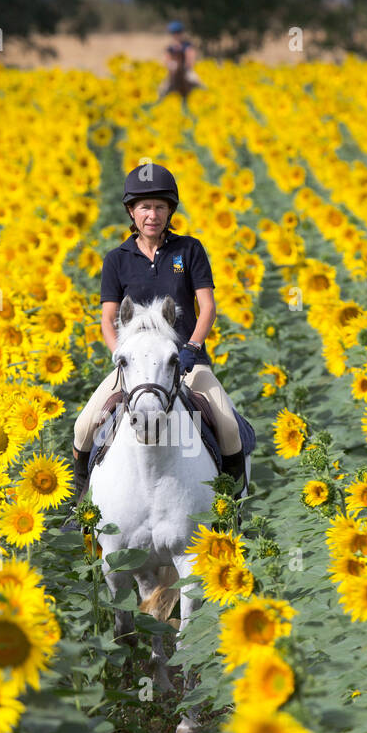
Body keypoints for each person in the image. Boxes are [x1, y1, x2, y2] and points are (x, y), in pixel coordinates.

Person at [68, 163, 246, 507]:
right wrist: (120, 354)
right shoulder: (116, 259)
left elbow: (207, 307)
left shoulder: (189, 251)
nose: (153, 214)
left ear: (170, 211)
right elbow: (108, 317)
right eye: (144, 207)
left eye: (160, 207)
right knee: (83, 426)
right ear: (131, 212)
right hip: (134, 368)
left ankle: (231, 508)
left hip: (187, 364)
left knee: (229, 428)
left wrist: (192, 347)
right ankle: (83, 507)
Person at [156, 21, 203, 104]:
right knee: (163, 86)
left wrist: (188, 65)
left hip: (186, 69)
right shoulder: (170, 48)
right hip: (173, 70)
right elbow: (166, 59)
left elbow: (191, 56)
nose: (176, 35)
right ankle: (160, 100)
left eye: (178, 32)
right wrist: (169, 65)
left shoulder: (187, 45)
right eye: (174, 33)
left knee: (196, 80)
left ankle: (204, 96)